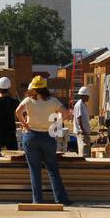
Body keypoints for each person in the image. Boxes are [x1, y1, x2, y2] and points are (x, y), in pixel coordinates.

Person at [15, 76, 72, 205]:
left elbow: (18, 112)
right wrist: (56, 124)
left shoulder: (28, 101)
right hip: (48, 136)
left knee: (35, 170)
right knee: (52, 169)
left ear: (34, 89)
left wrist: (25, 124)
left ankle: (37, 201)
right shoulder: (53, 101)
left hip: (31, 136)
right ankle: (61, 199)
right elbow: (67, 113)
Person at [73, 86, 92, 156]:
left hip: (84, 131)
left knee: (86, 148)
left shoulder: (83, 104)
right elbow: (79, 118)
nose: (89, 98)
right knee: (84, 150)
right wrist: (83, 130)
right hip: (82, 132)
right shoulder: (79, 105)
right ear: (84, 96)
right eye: (88, 96)